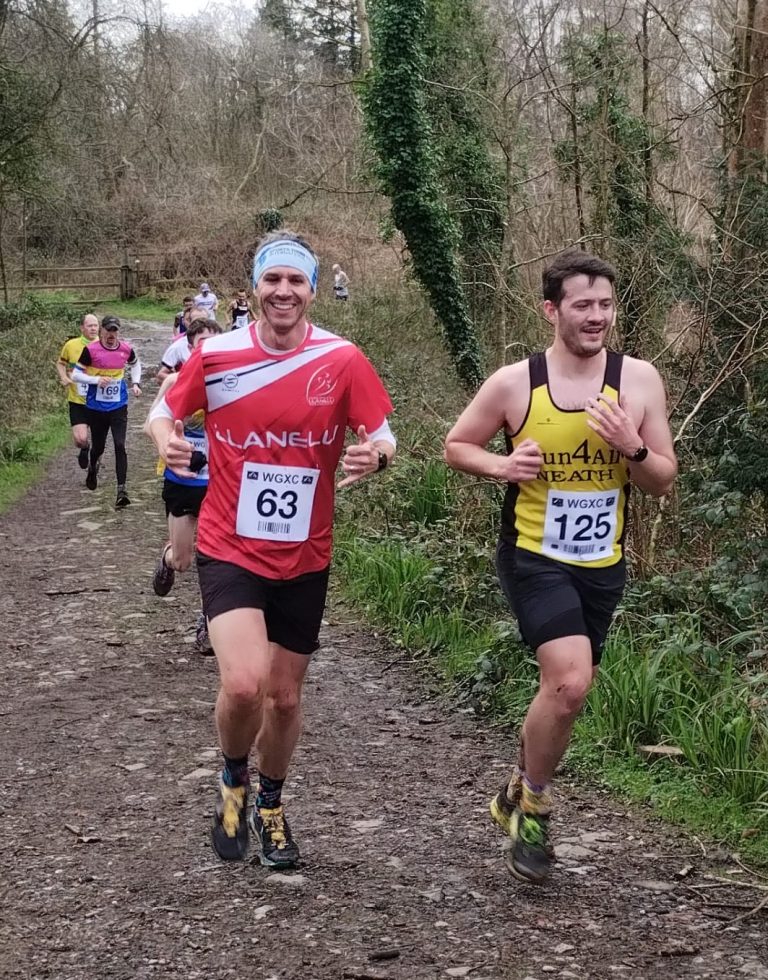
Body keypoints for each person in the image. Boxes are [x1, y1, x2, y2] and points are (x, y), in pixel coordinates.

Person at [147, 231, 395, 866]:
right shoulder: (218, 354)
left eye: (296, 281)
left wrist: (376, 455)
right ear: (255, 287)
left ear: (312, 289)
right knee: (244, 684)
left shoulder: (342, 358)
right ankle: (233, 777)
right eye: (272, 280)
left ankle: (272, 804)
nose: (284, 291)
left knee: (285, 697)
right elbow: (162, 413)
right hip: (229, 543)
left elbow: (383, 433)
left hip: (306, 553)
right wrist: (166, 441)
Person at [444, 251, 677, 884]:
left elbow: (662, 480)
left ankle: (516, 790)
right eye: (582, 305)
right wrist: (501, 466)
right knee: (570, 682)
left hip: (603, 562)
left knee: (565, 694)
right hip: (533, 556)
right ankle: (538, 809)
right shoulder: (516, 383)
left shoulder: (639, 381)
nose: (597, 316)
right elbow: (457, 445)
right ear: (552, 310)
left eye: (605, 304)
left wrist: (631, 445)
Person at [146, 318, 222, 654]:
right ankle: (167, 559)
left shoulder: (230, 384)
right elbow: (152, 423)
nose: (207, 347)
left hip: (220, 483)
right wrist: (168, 446)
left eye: (214, 342)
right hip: (181, 481)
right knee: (184, 560)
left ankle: (208, 624)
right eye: (201, 341)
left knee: (216, 556)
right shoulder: (176, 381)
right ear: (189, 347)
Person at [72, 315, 142, 508]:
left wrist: (135, 383)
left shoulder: (125, 349)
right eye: (109, 330)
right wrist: (96, 381)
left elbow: (135, 364)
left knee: (120, 445)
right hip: (96, 407)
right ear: (102, 330)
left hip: (119, 406)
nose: (112, 334)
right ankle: (93, 467)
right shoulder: (91, 350)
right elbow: (76, 374)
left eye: (115, 330)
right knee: (99, 448)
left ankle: (122, 490)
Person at [56, 313, 100, 469]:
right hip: (77, 399)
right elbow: (60, 363)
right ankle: (84, 448)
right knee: (80, 439)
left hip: (98, 400)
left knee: (98, 440)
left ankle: (94, 461)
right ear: (82, 328)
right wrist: (64, 377)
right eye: (90, 325)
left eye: (96, 325)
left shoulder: (104, 346)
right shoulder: (71, 345)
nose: (94, 328)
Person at [156, 307, 210, 383]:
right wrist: (185, 381)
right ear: (190, 322)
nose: (201, 325)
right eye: (197, 321)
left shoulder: (217, 342)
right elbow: (160, 376)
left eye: (204, 321)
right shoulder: (178, 346)